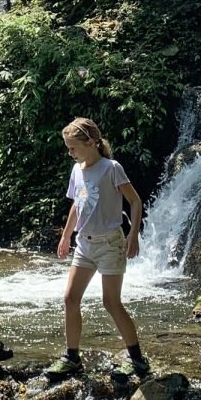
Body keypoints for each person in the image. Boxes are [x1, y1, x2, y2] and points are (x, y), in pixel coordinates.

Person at [47, 116, 151, 379]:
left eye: (73, 147)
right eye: (68, 147)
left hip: (110, 244)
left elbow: (135, 202)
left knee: (111, 302)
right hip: (84, 244)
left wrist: (134, 235)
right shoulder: (77, 170)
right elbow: (77, 204)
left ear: (91, 143)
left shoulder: (111, 168)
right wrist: (66, 235)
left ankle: (137, 359)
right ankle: (72, 357)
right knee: (70, 298)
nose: (69, 152)